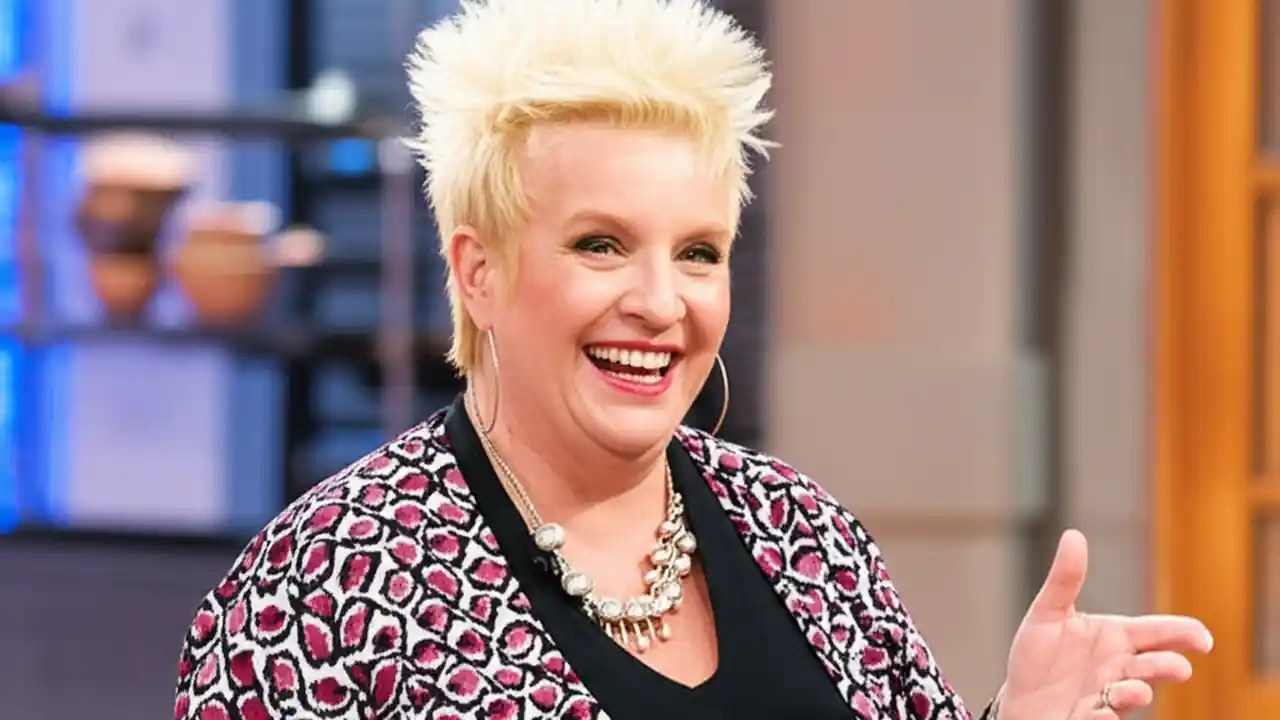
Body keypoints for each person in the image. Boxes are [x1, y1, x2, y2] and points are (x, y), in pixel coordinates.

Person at [173, 1, 1213, 718]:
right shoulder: (327, 584)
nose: (660, 304)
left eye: (698, 253)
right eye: (599, 245)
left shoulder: (799, 533)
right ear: (476, 272)